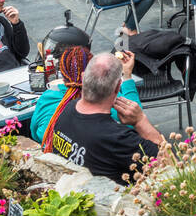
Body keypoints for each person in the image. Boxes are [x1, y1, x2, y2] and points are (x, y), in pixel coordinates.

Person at [46, 53, 164, 184]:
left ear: (83, 77)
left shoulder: (66, 109)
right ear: (118, 87)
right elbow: (169, 167)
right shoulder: (117, 138)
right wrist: (140, 121)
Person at [31, 41, 143, 143]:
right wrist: (127, 76)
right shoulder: (108, 100)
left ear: (63, 72)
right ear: (91, 73)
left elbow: (34, 133)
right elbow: (136, 117)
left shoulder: (47, 97)